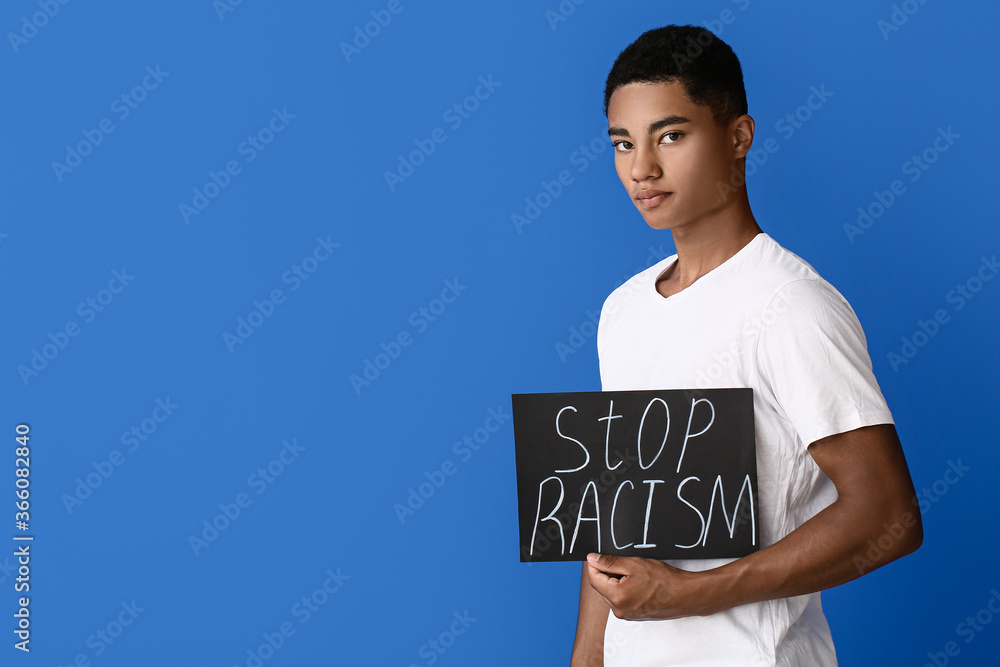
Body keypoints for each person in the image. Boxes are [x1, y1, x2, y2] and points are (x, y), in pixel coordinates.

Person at [570, 25, 922, 666]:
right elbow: (614, 515)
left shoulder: (791, 307)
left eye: (670, 136)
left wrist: (693, 592)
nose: (641, 168)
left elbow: (888, 515)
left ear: (738, 137)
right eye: (623, 143)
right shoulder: (622, 311)